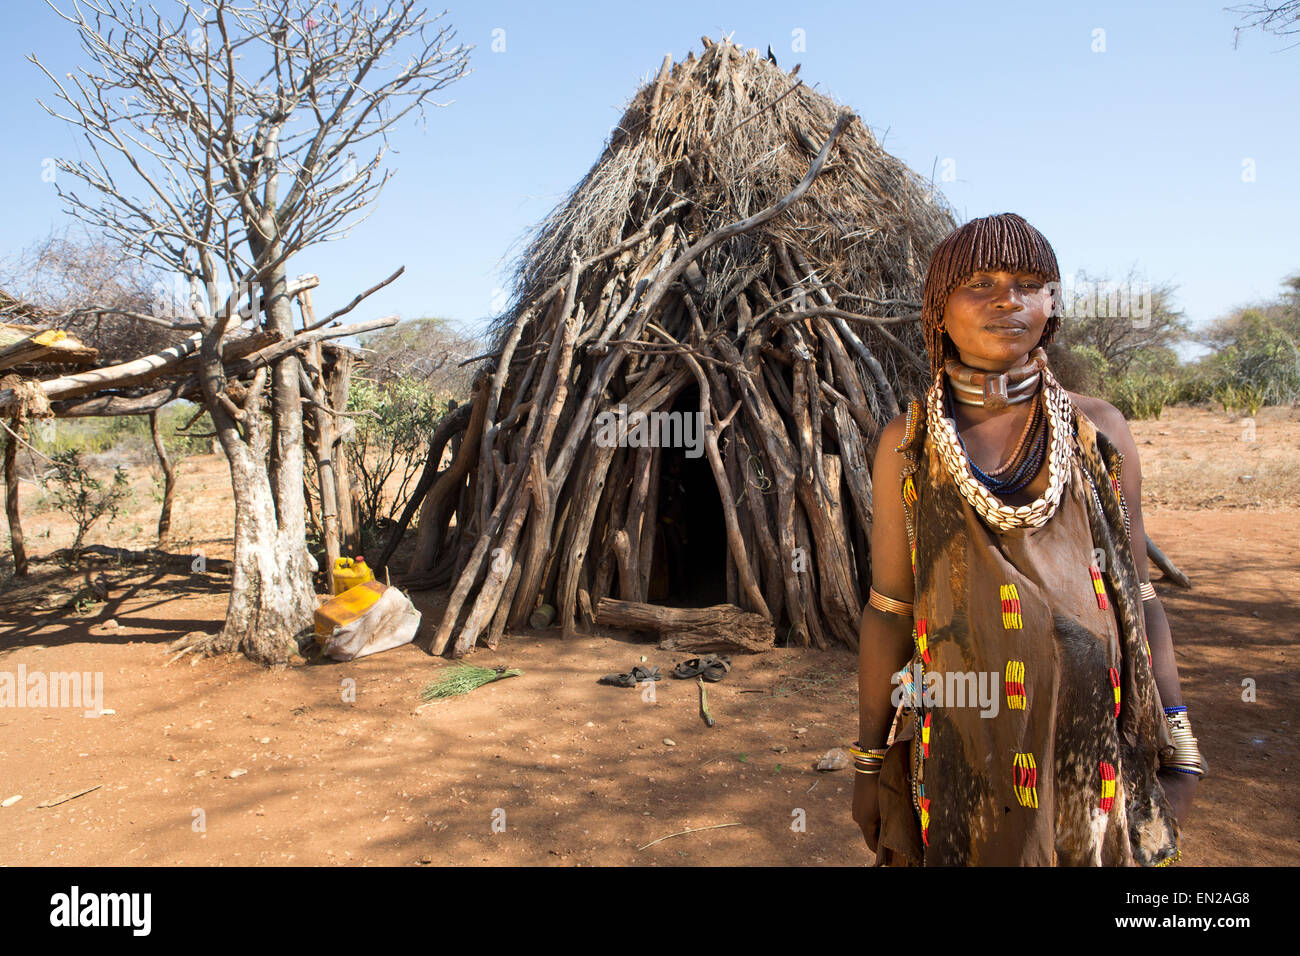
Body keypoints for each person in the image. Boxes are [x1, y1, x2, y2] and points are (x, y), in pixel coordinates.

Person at [851, 213, 1204, 866]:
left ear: (1051, 305)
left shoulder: (1097, 432)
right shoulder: (907, 444)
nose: (1006, 298)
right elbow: (890, 608)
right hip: (959, 746)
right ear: (939, 310)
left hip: (1091, 752)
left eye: (1028, 281)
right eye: (979, 282)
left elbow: (1138, 593)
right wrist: (870, 762)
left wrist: (1179, 749)